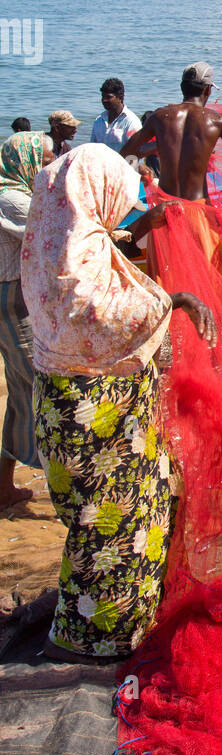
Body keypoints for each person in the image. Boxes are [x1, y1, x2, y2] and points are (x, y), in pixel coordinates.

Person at [20, 145, 217, 661]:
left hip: (62, 410)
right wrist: (173, 300)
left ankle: (95, 622)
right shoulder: (78, 273)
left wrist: (141, 228)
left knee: (99, 520)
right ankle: (100, 635)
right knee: (116, 520)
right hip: (97, 415)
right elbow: (102, 313)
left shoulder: (50, 238)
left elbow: (98, 249)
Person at [121, 63, 222, 217]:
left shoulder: (159, 116)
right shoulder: (217, 121)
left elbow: (126, 153)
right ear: (207, 89)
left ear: (182, 87)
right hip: (196, 209)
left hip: (163, 210)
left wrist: (158, 146)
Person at [0, 131, 55, 510]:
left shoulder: (15, 193)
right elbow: (49, 234)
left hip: (16, 296)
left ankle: (3, 488)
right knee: (44, 388)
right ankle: (67, 485)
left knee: (22, 393)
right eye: (47, 158)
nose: (50, 165)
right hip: (11, 299)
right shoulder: (11, 199)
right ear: (28, 161)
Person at [91, 78, 142, 151]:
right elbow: (92, 148)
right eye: (103, 96)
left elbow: (136, 151)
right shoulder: (99, 120)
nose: (104, 100)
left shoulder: (131, 121)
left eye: (108, 97)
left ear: (120, 98)